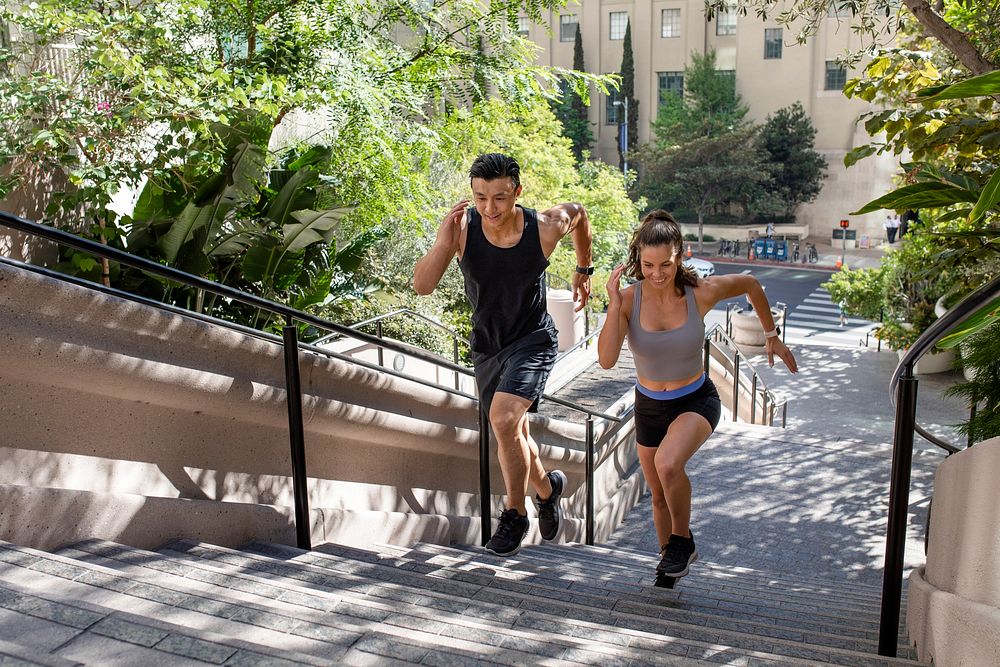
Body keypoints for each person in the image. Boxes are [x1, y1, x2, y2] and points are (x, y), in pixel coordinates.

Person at [597, 210, 797, 582]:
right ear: (637, 259)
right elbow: (607, 360)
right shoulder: (627, 299)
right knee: (657, 496)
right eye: (648, 264)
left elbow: (752, 283)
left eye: (666, 265)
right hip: (649, 406)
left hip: (695, 399)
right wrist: (612, 303)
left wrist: (771, 336)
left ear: (682, 255)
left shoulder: (700, 293)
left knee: (669, 465)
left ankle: (682, 542)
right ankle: (669, 564)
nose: (657, 274)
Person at [413, 153, 593, 557]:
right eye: (480, 198)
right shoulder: (462, 230)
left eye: (499, 198)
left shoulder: (543, 228)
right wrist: (444, 241)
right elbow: (422, 286)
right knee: (515, 433)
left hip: (533, 340)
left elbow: (578, 214)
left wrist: (584, 268)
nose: (489, 208)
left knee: (504, 419)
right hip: (488, 347)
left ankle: (515, 513)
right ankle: (548, 490)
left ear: (517, 192)